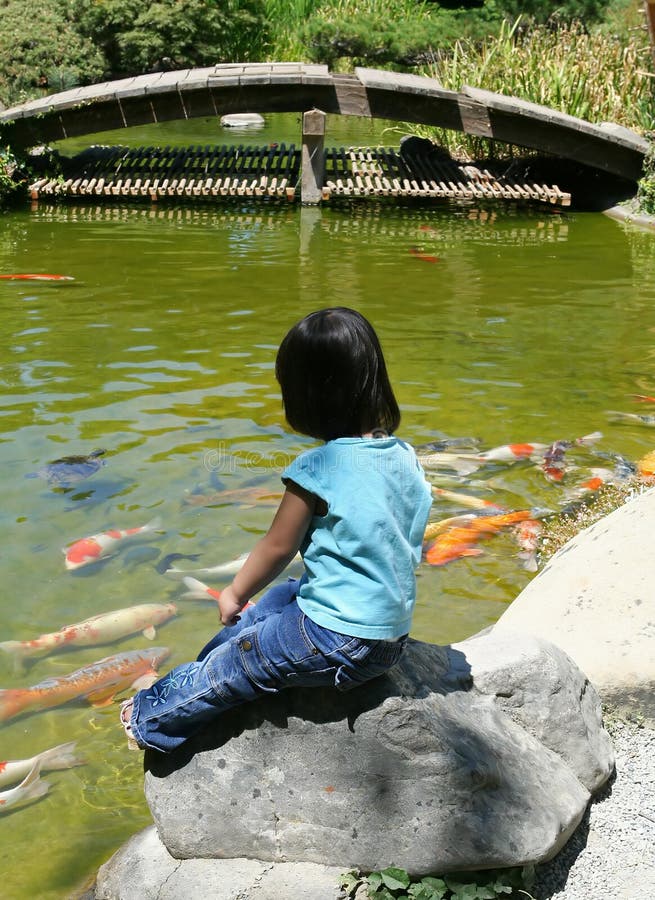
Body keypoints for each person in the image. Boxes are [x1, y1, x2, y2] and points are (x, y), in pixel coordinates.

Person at [120, 307, 432, 753]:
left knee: (238, 664)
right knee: (284, 595)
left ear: (308, 397)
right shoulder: (405, 457)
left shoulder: (317, 468)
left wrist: (233, 593)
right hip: (389, 639)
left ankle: (153, 718)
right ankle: (214, 657)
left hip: (335, 639)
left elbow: (277, 545)